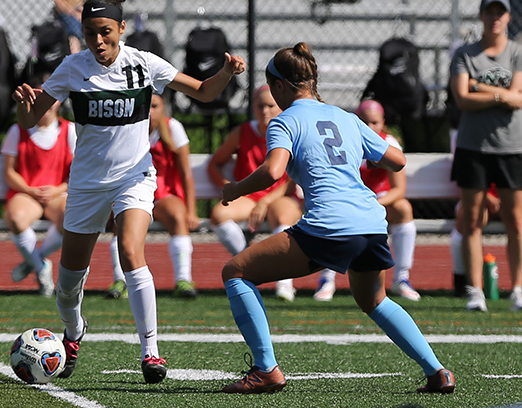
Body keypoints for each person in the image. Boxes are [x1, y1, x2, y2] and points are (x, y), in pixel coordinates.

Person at [12, 0, 244, 384]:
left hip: (134, 178)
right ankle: (73, 331)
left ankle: (151, 351)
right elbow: (31, 121)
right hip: (85, 186)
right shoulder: (72, 68)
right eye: (89, 34)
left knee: (132, 252)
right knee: (68, 284)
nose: (97, 41)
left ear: (121, 29)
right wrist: (25, 107)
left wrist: (226, 72)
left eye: (104, 32)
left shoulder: (145, 63)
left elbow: (205, 92)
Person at [219, 42, 454, 395]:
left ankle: (266, 369)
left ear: (280, 86)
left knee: (235, 271)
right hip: (372, 224)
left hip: (330, 226)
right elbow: (397, 160)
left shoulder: (284, 121)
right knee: (374, 300)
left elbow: (273, 171)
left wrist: (234, 189)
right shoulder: (347, 118)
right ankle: (437, 371)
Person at [450, 0, 522, 312]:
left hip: (512, 147)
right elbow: (462, 99)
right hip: (473, 147)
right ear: (481, 16)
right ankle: (475, 290)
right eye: (489, 12)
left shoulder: (518, 53)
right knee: (472, 220)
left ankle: (518, 288)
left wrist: (481, 87)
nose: (495, 17)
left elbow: (519, 98)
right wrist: (500, 95)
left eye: (500, 12)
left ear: (508, 17)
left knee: (516, 222)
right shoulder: (465, 54)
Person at [313, 99, 420, 302]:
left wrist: (373, 204)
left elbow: (398, 189)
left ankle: (402, 278)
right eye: (364, 121)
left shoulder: (389, 143)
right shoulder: (340, 140)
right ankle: (327, 279)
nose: (370, 127)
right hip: (346, 199)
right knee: (331, 212)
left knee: (404, 209)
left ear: (383, 122)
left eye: (375, 122)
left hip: (379, 200)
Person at [207, 85, 302, 302]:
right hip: (249, 195)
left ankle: (285, 284)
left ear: (281, 107)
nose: (265, 110)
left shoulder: (291, 131)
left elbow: (290, 179)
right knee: (218, 216)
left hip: (280, 195)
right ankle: (248, 263)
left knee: (283, 217)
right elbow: (215, 163)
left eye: (271, 105)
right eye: (260, 106)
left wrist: (266, 202)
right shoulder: (242, 132)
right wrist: (227, 185)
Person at [107, 92, 200, 299]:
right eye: (145, 105)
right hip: (135, 194)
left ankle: (183, 280)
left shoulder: (173, 127)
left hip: (164, 195)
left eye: (155, 106)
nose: (149, 111)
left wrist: (191, 210)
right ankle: (120, 280)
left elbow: (186, 174)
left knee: (178, 216)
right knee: (119, 220)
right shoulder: (127, 128)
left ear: (163, 107)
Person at [4, 70, 76, 298]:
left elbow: (76, 173)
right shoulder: (18, 130)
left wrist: (58, 189)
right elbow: (9, 172)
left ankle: (36, 260)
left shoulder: (70, 130)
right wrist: (29, 190)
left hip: (57, 192)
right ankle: (40, 267)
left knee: (73, 217)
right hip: (28, 192)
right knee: (16, 217)